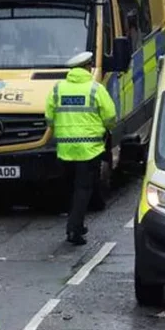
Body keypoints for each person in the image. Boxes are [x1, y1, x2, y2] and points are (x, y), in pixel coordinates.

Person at [44, 51, 117, 245]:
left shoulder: (58, 89)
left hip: (65, 149)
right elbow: (110, 115)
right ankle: (74, 230)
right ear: (87, 67)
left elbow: (49, 117)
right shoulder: (95, 89)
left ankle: (75, 224)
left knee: (71, 188)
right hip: (89, 148)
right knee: (84, 190)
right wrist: (107, 129)